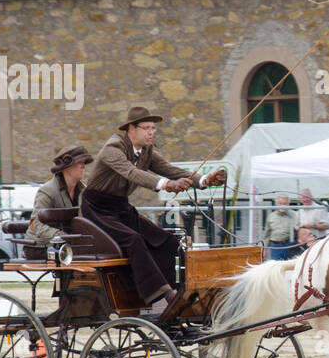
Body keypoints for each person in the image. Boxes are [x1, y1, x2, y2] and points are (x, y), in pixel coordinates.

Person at [82, 108, 225, 310]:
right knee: (134, 240)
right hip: (97, 209)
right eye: (146, 128)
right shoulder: (112, 149)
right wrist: (166, 185)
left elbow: (170, 169)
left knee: (166, 240)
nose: (151, 132)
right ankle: (162, 295)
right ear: (131, 129)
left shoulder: (146, 152)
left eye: (153, 128)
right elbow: (131, 173)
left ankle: (180, 292)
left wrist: (204, 180)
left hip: (120, 207)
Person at [26, 145, 93, 253]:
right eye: (79, 162)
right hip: (39, 247)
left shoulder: (84, 191)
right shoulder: (47, 191)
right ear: (66, 167)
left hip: (68, 246)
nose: (83, 166)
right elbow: (37, 225)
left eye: (84, 162)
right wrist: (61, 236)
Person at [264, 194, 296, 260]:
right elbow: (267, 235)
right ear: (276, 204)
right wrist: (265, 250)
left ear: (288, 204)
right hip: (275, 246)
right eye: (280, 203)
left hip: (289, 245)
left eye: (285, 203)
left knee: (289, 266)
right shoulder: (271, 216)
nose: (282, 205)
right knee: (276, 267)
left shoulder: (294, 214)